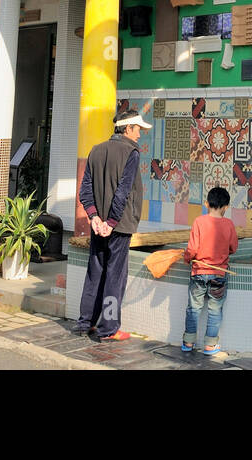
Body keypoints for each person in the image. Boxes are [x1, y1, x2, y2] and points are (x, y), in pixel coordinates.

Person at [75, 107, 150, 341]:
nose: (139, 135)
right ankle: (108, 328)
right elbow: (123, 192)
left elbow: (85, 190)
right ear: (127, 128)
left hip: (99, 226)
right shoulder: (131, 152)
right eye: (138, 129)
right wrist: (111, 222)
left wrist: (94, 218)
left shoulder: (96, 150)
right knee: (114, 276)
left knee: (94, 273)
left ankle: (85, 322)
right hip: (118, 226)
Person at [181, 186, 238, 357]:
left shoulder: (199, 221)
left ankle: (188, 342)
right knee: (215, 309)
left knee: (193, 308)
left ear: (207, 203)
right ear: (226, 207)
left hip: (198, 272)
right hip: (219, 274)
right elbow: (233, 248)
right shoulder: (228, 224)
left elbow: (192, 249)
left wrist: (186, 258)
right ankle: (210, 345)